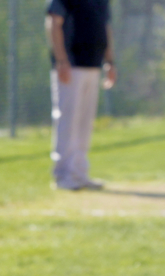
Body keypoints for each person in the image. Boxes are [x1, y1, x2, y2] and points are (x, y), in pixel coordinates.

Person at [46, 0, 116, 191]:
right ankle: (63, 176)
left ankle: (78, 173)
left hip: (93, 63)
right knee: (68, 119)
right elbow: (54, 22)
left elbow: (105, 26)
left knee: (85, 122)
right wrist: (61, 60)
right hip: (71, 65)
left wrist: (109, 61)